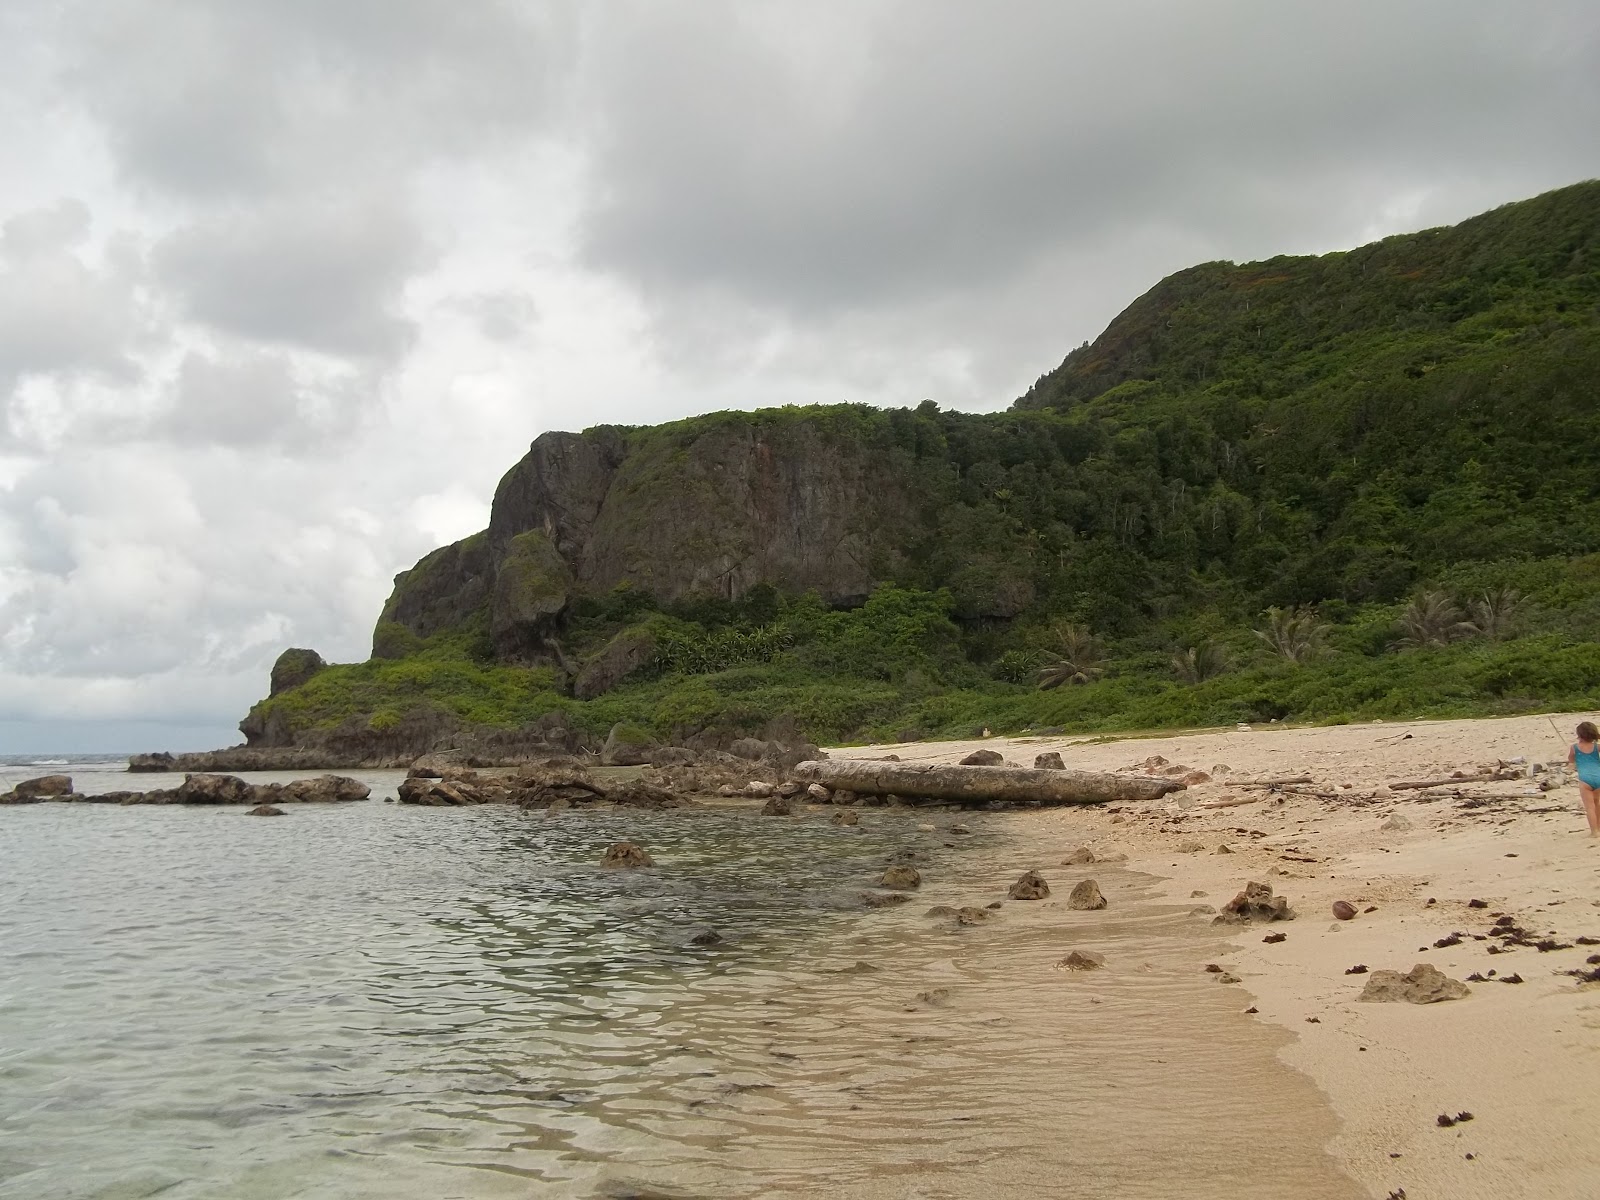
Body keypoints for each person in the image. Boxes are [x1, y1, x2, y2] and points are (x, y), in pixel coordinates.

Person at [1565, 721, 1600, 837]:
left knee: (1589, 807)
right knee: (1597, 804)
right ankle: (1599, 827)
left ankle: (1594, 832)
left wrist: (1569, 767)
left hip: (1585, 779)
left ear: (1579, 735)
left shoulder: (1574, 748)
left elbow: (1571, 762)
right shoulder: (1597, 747)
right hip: (1598, 776)